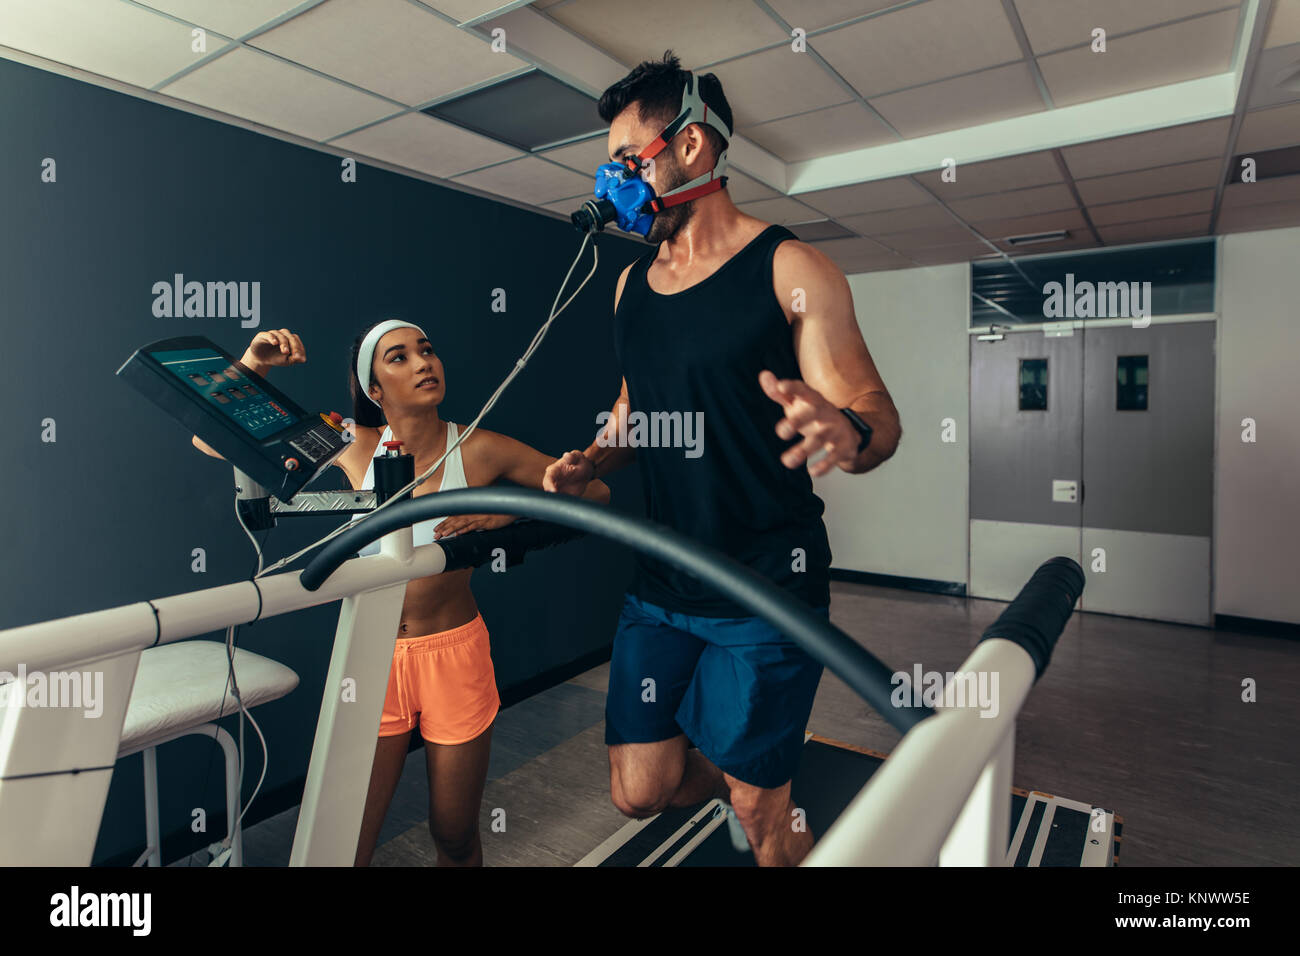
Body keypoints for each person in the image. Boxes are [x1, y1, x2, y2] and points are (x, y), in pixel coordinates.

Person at [544, 52, 902, 866]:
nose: (614, 183)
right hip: (665, 580)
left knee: (757, 809)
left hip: (767, 583)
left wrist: (849, 434)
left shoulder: (791, 269)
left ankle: (768, 801)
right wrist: (596, 458)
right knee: (639, 791)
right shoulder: (629, 288)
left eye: (629, 161)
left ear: (693, 147)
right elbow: (639, 410)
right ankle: (753, 773)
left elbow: (879, 415)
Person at [193, 322, 609, 866]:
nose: (422, 363)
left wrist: (505, 511)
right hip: (373, 656)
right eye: (398, 357)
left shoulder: (479, 448)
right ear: (374, 388)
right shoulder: (346, 442)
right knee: (347, 839)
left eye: (427, 350)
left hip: (454, 653)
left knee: (455, 833)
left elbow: (596, 491)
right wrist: (254, 361)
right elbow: (210, 437)